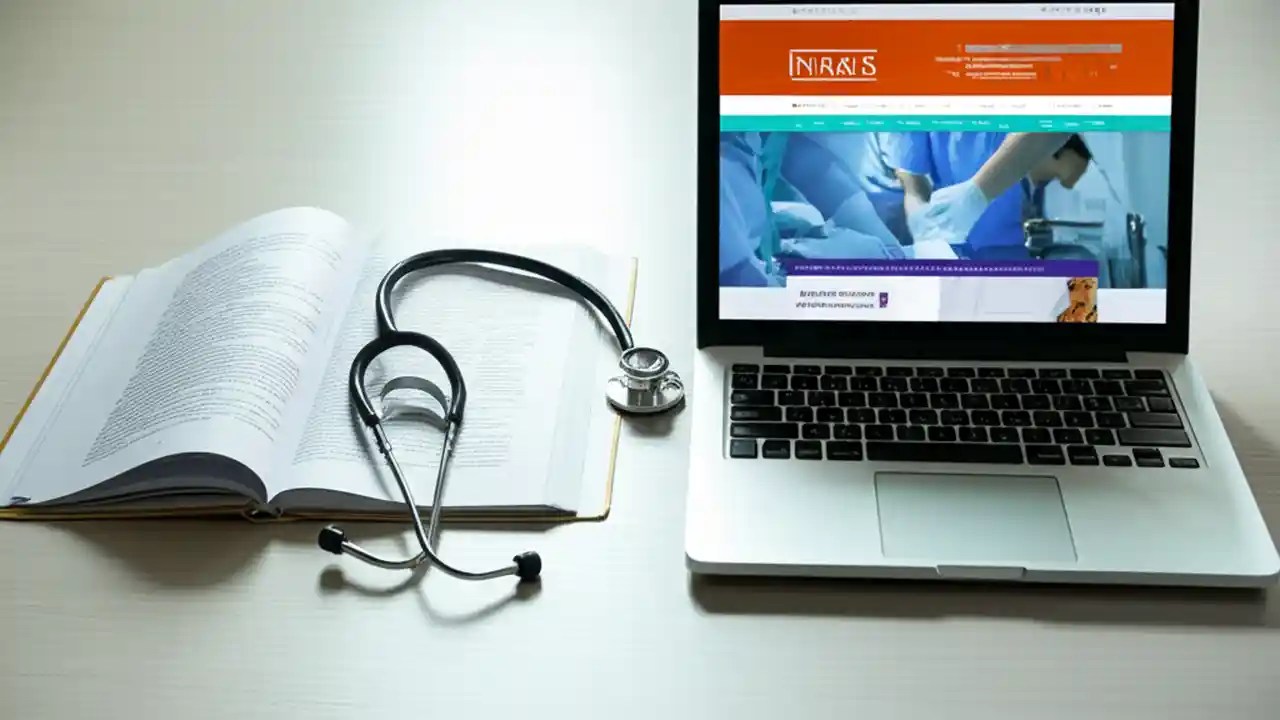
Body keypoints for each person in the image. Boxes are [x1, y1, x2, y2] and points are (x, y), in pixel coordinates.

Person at [885, 132, 1084, 260]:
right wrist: (922, 223)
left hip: (1007, 249)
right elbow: (912, 179)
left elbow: (1051, 126)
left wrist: (977, 193)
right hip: (951, 247)